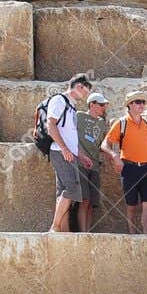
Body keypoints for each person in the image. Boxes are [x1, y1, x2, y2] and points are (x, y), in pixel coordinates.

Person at [103, 92, 147, 234]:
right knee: (131, 205)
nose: (141, 105)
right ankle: (132, 235)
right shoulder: (121, 123)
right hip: (129, 168)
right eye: (137, 102)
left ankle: (146, 236)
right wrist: (114, 155)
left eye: (143, 102)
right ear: (130, 104)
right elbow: (105, 144)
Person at [45, 74, 94, 233]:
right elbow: (50, 126)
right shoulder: (59, 101)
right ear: (79, 87)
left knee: (64, 193)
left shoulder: (72, 107)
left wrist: (81, 156)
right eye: (85, 92)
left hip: (69, 154)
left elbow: (72, 137)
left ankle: (63, 232)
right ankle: (55, 226)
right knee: (72, 189)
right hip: (60, 152)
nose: (85, 95)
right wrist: (65, 149)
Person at [69, 92, 111, 232]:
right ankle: (82, 232)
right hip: (80, 164)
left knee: (92, 203)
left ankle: (87, 232)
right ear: (91, 104)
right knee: (83, 200)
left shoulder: (101, 123)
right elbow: (70, 135)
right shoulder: (78, 116)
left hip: (95, 166)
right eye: (100, 104)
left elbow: (101, 144)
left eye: (104, 105)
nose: (103, 107)